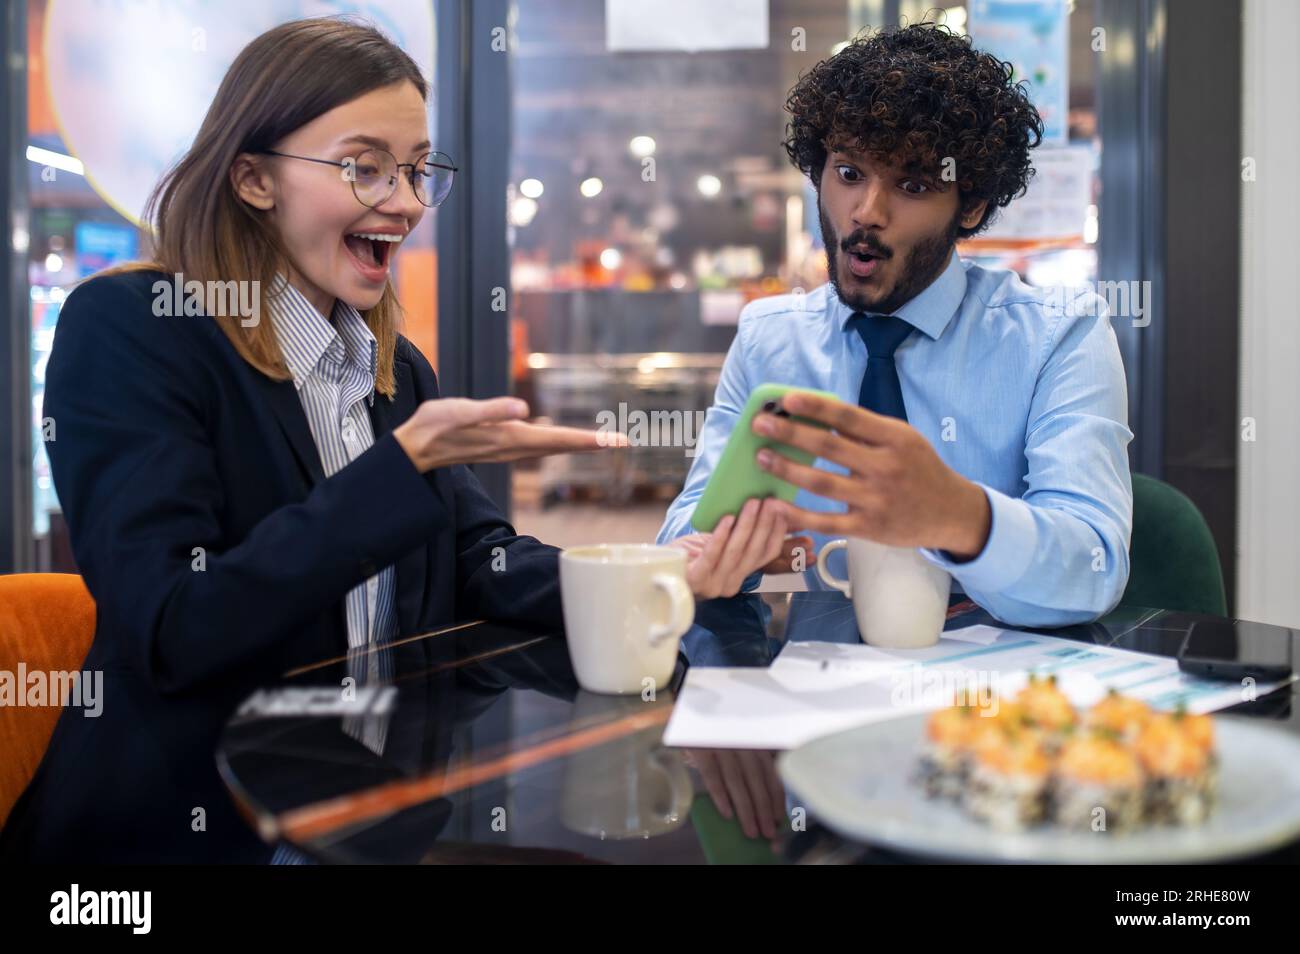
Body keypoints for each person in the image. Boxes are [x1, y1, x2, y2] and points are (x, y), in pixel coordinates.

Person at [0, 18, 785, 863]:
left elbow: (480, 563)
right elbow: (174, 630)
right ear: (253, 178)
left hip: (376, 815)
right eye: (365, 166)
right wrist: (398, 470)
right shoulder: (134, 331)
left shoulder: (395, 370)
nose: (407, 202)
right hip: (189, 834)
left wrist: (666, 573)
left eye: (415, 171)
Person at [659, 22, 1133, 629]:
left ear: (972, 205)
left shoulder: (1059, 335)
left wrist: (958, 515)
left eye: (911, 184)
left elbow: (1094, 566)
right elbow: (690, 522)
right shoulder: (769, 338)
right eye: (849, 173)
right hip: (817, 684)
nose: (866, 212)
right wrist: (712, 554)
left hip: (988, 697)